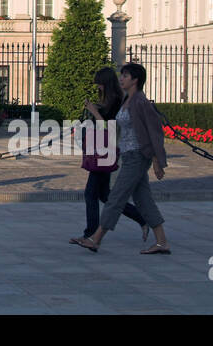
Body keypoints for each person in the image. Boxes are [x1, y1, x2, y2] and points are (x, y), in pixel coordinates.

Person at [72, 62, 171, 255]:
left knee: (115, 198)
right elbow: (114, 129)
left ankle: (96, 239)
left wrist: (158, 162)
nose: (121, 79)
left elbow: (154, 131)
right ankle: (162, 241)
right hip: (128, 155)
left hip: (137, 156)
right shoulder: (127, 100)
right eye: (121, 75)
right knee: (143, 200)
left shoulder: (140, 102)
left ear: (135, 80)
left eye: (125, 76)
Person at [69, 67, 148, 246]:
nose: (98, 87)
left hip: (106, 150)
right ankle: (142, 218)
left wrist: (95, 111)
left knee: (91, 193)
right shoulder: (110, 100)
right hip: (103, 150)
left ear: (105, 83)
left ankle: (90, 234)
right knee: (105, 195)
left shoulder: (116, 101)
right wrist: (96, 108)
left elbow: (108, 128)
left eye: (100, 84)